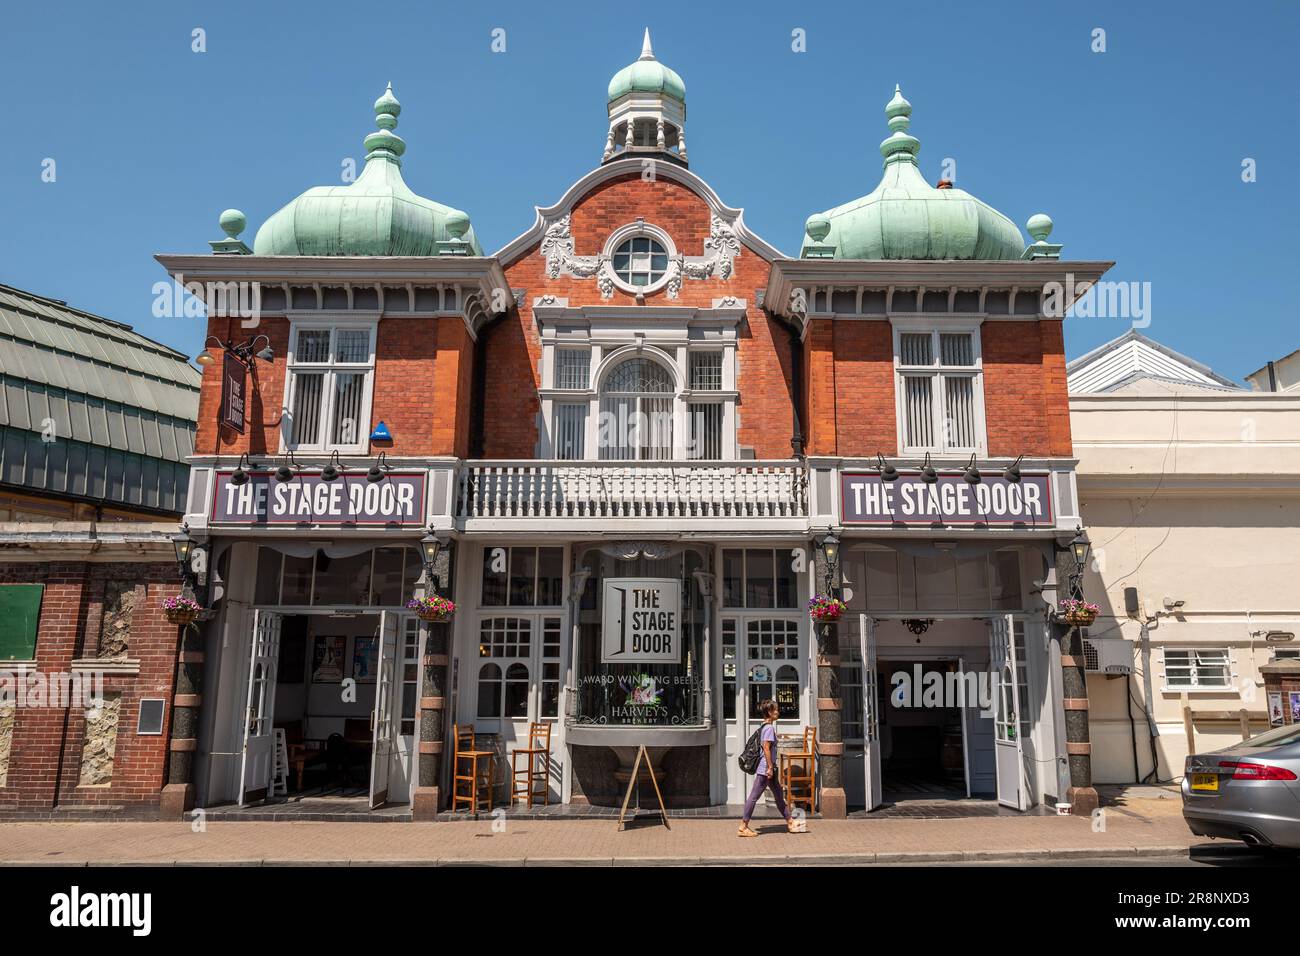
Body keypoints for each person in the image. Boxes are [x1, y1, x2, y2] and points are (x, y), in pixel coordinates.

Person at [738, 699, 805, 836]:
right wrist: (769, 767)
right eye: (775, 710)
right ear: (769, 712)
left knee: (779, 796)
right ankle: (743, 826)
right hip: (765, 769)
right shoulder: (769, 728)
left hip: (769, 768)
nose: (778, 712)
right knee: (754, 796)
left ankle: (790, 822)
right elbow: (766, 749)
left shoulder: (764, 726)